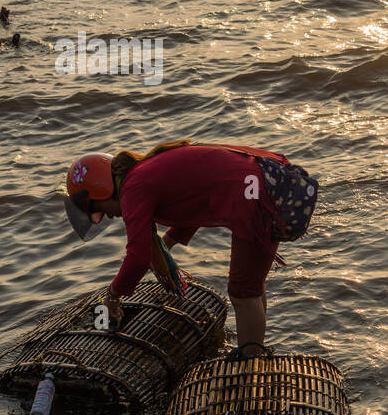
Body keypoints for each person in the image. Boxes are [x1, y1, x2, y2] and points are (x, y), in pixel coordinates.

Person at [62, 140, 316, 354]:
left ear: (101, 190)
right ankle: (255, 351)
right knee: (249, 288)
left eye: (97, 211)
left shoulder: (133, 187)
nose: (105, 217)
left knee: (243, 293)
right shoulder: (146, 172)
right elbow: (195, 203)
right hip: (266, 182)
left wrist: (113, 296)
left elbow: (138, 257)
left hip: (257, 195)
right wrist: (167, 245)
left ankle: (251, 365)